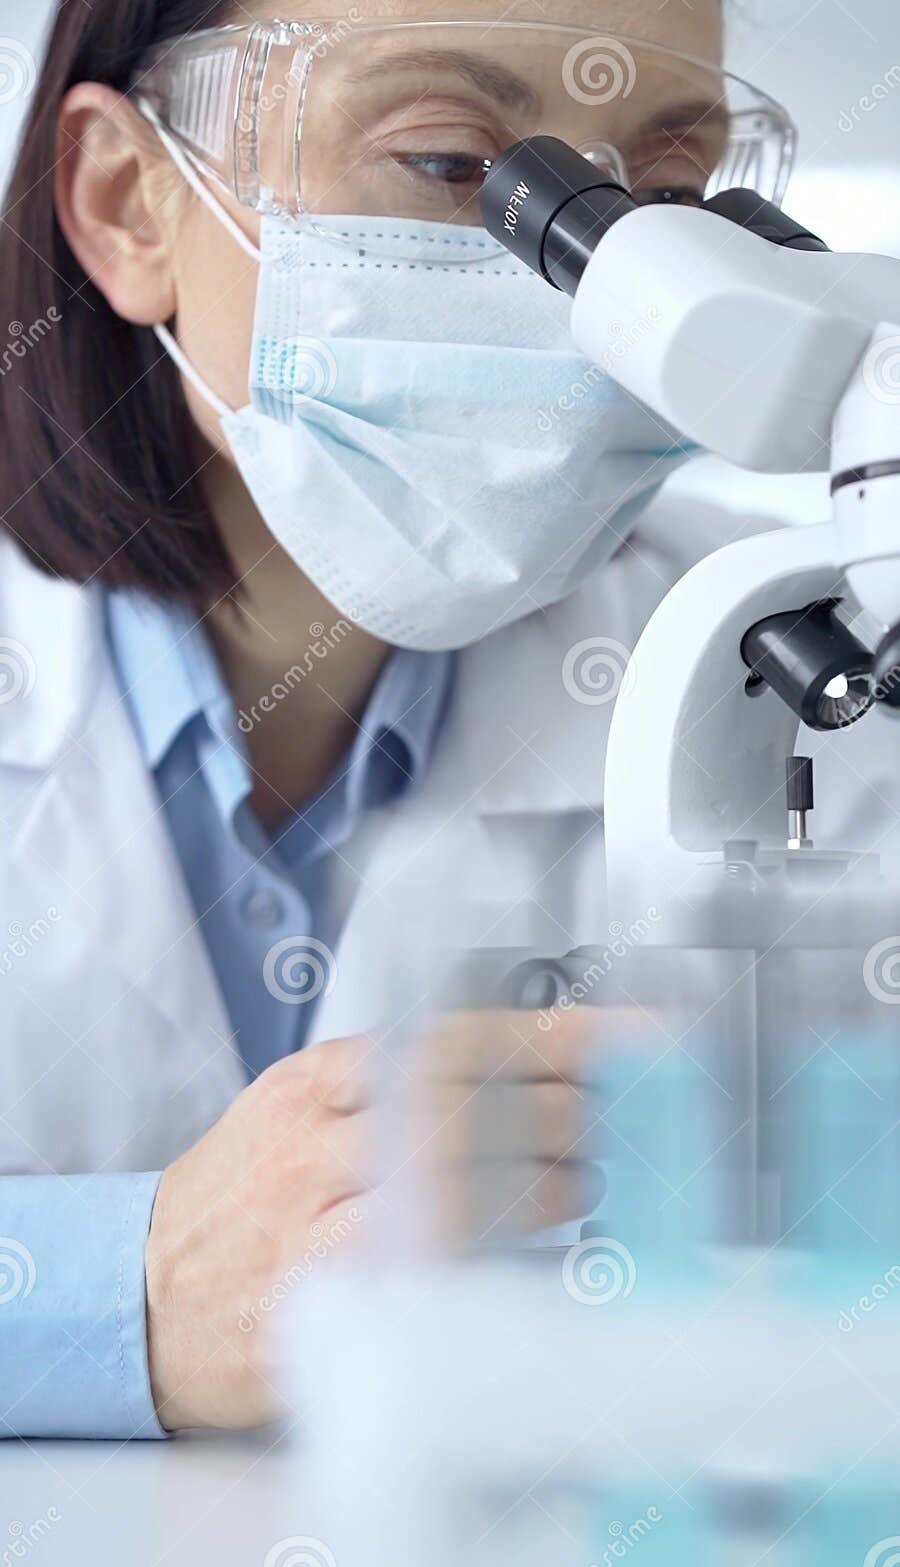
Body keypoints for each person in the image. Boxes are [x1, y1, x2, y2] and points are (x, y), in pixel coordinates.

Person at [0, 0, 775, 1438]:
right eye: (444, 161)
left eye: (664, 198)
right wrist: (128, 1295)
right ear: (128, 204)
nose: (586, 279)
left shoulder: (796, 675)